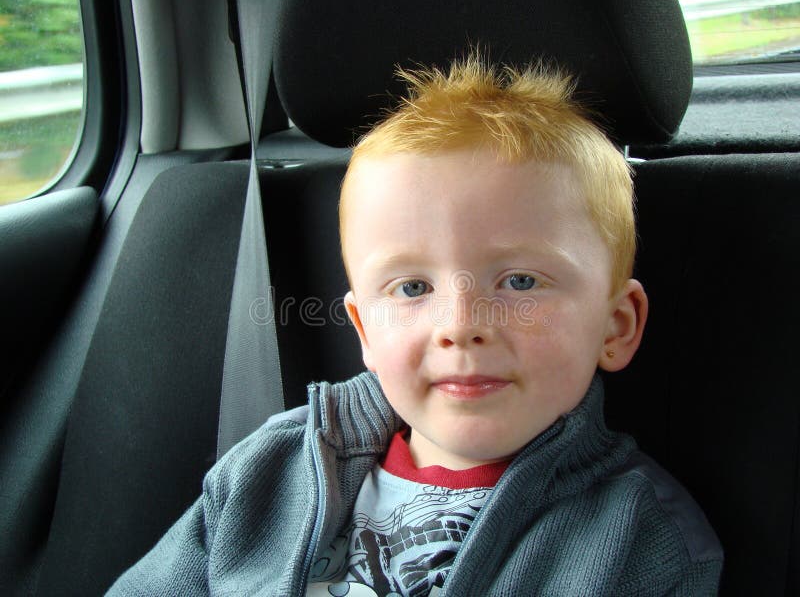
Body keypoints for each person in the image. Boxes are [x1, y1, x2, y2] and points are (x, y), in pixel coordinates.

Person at [108, 55, 723, 596]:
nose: (459, 325)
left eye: (520, 281)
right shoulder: (268, 473)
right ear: (365, 332)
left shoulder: (637, 541)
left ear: (616, 326)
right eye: (412, 288)